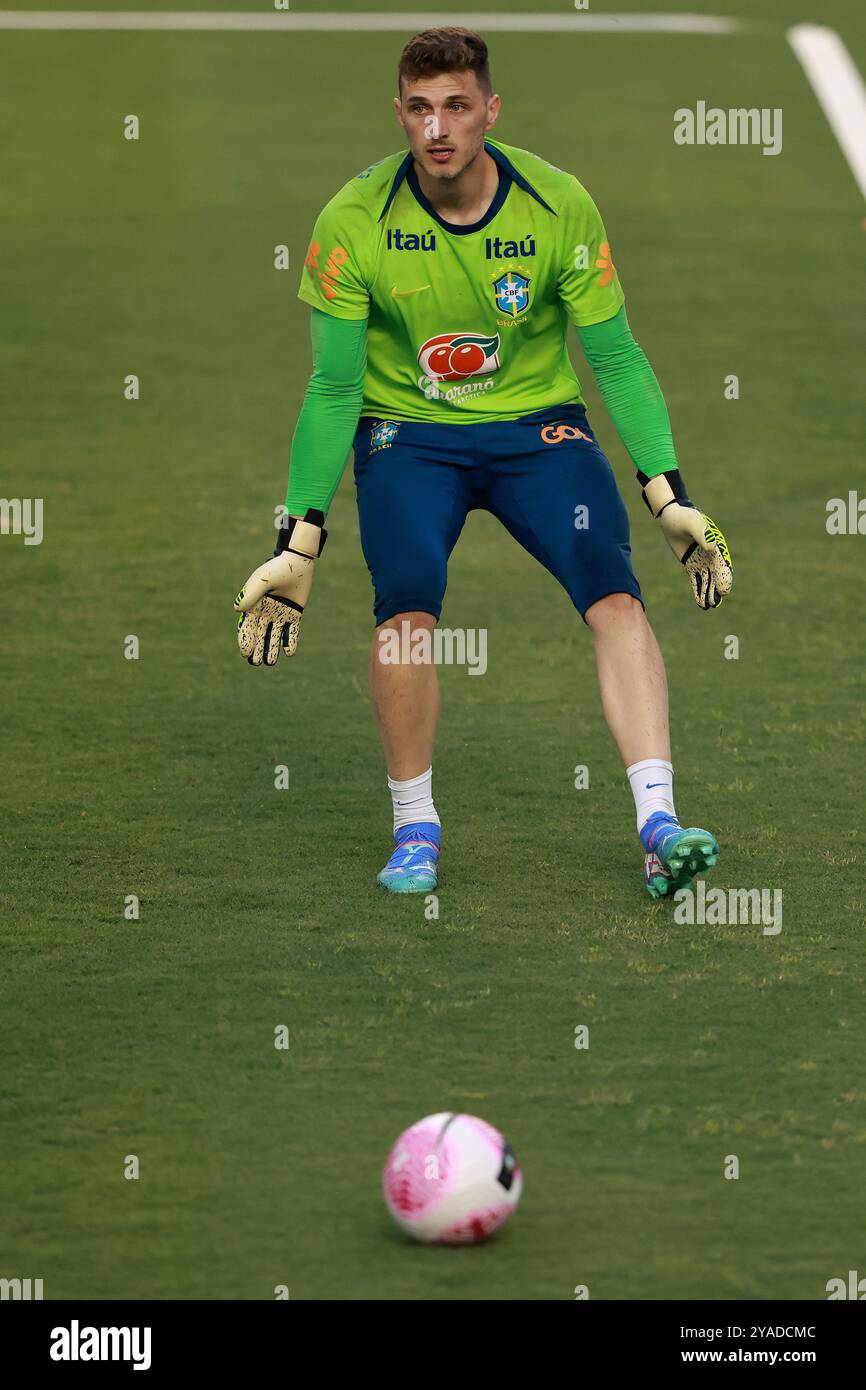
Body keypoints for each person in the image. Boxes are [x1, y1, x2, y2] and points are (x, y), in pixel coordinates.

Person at [234, 26, 733, 900]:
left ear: (490, 112)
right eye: (420, 109)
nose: (438, 129)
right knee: (408, 607)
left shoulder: (558, 204)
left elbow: (614, 358)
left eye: (457, 108)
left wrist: (668, 496)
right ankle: (415, 829)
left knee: (611, 590)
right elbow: (333, 388)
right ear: (399, 114)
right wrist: (299, 538)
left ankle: (659, 824)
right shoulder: (353, 221)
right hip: (408, 437)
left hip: (539, 431)